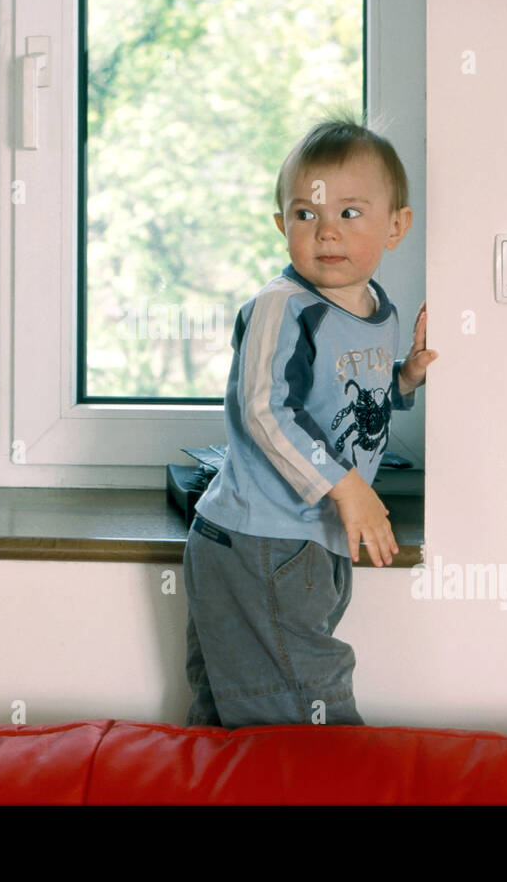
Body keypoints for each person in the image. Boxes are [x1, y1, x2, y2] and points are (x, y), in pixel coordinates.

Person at [183, 110, 437, 728]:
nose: (327, 233)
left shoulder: (377, 308)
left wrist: (402, 379)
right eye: (306, 215)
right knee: (306, 721)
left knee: (246, 720)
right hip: (262, 541)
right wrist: (347, 487)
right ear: (281, 226)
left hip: (310, 538)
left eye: (350, 213)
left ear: (396, 226)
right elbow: (266, 409)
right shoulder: (285, 307)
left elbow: (352, 402)